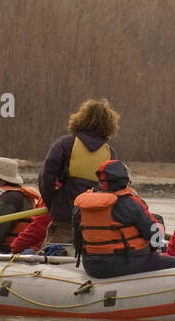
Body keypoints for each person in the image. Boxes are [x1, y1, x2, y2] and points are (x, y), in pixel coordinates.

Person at [73, 160, 175, 278]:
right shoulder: (130, 203)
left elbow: (77, 243)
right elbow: (156, 237)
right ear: (124, 180)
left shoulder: (81, 205)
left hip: (92, 266)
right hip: (125, 263)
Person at [39, 98, 120, 247]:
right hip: (95, 224)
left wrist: (53, 204)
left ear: (80, 118)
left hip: (64, 218)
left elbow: (46, 177)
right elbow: (116, 190)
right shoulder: (110, 153)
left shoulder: (65, 144)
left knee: (55, 256)